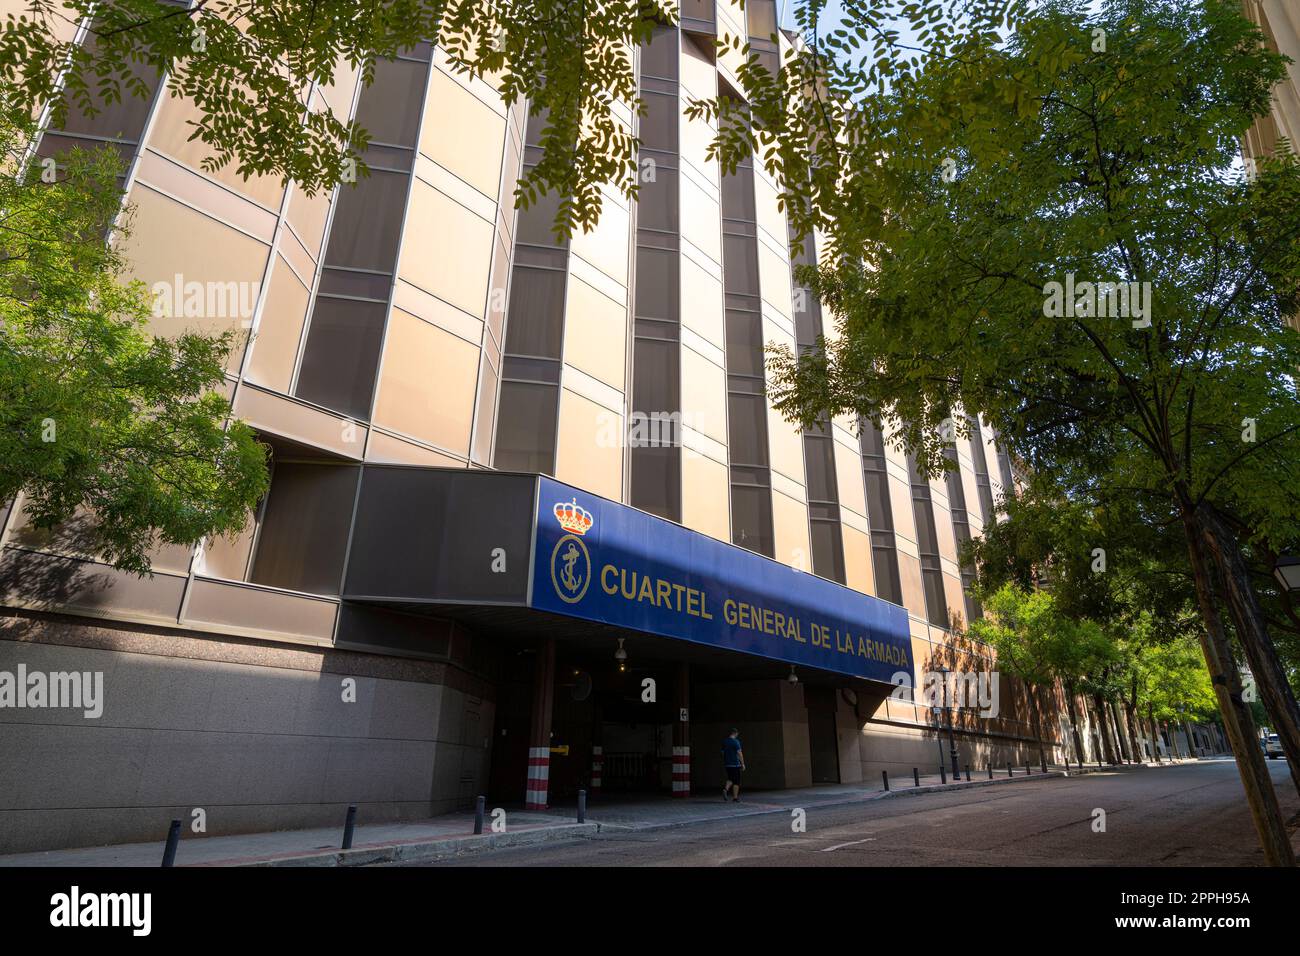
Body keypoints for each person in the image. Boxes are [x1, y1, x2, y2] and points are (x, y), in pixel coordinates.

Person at [721, 728, 745, 802]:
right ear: (735, 733)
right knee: (736, 781)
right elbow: (739, 753)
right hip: (735, 764)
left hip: (727, 764)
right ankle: (735, 798)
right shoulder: (736, 742)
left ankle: (725, 789)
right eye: (737, 734)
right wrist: (743, 764)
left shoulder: (725, 742)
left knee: (730, 778)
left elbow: (722, 753)